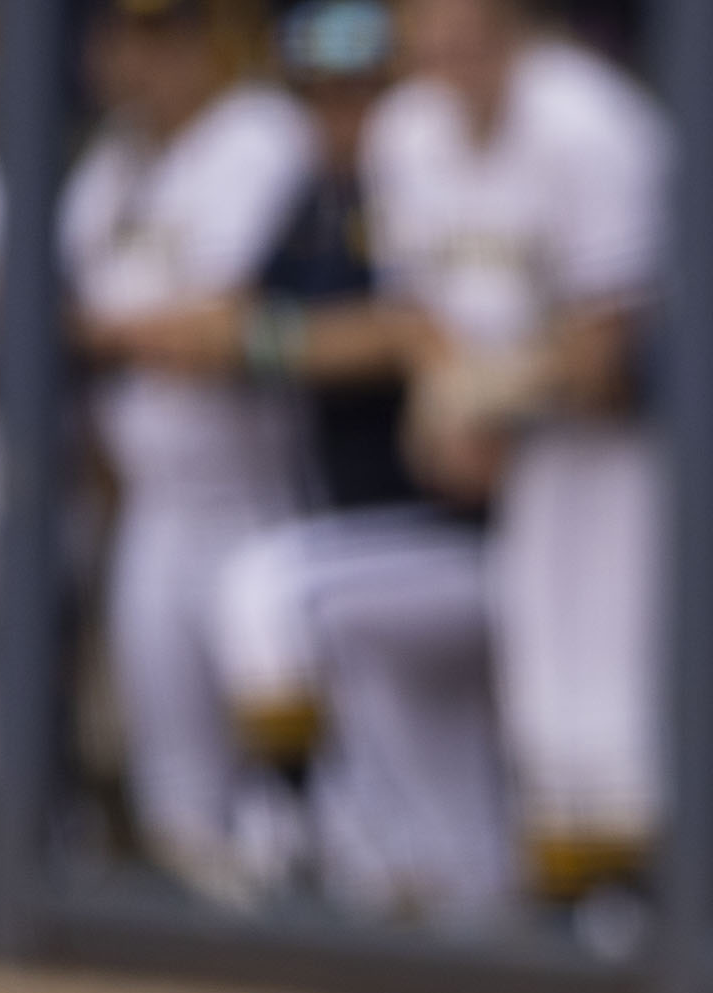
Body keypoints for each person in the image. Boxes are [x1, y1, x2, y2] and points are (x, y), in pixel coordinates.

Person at [126, 0, 514, 928]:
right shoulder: (316, 200)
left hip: (465, 534)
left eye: (362, 92)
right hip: (369, 543)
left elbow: (406, 328)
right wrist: (248, 333)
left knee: (269, 595)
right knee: (427, 823)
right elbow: (232, 315)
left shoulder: (429, 187)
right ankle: (426, 907)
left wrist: (272, 341)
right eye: (321, 95)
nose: (343, 116)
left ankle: (281, 857)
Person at [363, 0, 665, 945]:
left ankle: (653, 942)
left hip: (632, 447)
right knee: (543, 701)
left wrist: (471, 399)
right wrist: (453, 398)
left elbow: (608, 349)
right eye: (427, 30)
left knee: (617, 709)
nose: (446, 51)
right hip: (534, 446)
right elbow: (414, 308)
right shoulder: (404, 128)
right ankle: (578, 944)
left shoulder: (591, 122)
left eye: (467, 30)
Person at [64, 0, 317, 904]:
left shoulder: (261, 136)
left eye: (166, 33)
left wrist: (104, 331)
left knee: (274, 771)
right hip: (150, 496)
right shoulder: (111, 164)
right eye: (129, 34)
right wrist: (120, 333)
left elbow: (217, 322)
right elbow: (75, 314)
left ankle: (294, 930)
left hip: (251, 491)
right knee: (172, 783)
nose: (144, 57)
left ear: (212, 39)